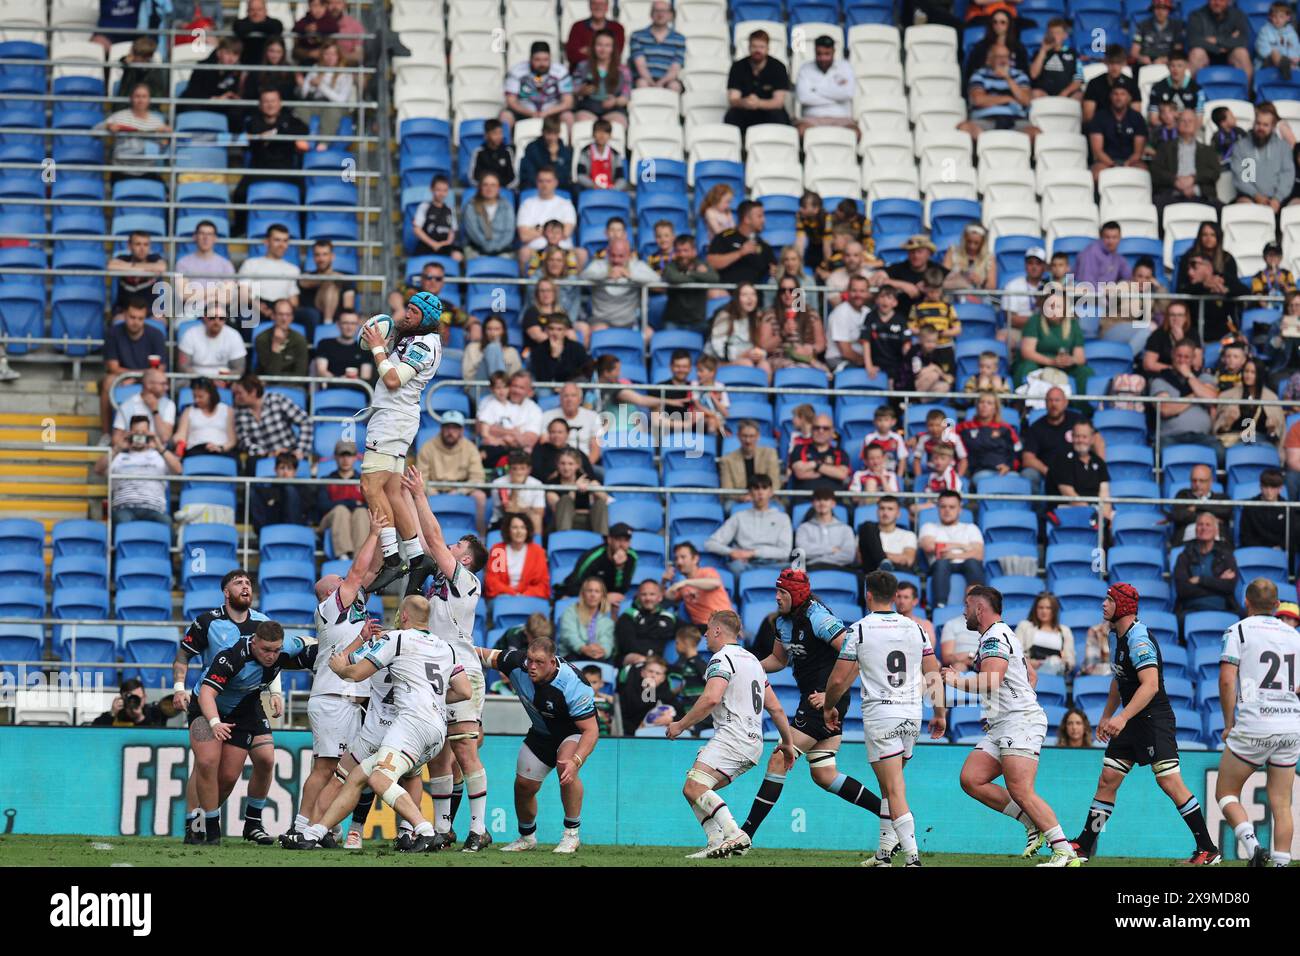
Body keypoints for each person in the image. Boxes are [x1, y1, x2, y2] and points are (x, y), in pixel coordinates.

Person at [285, 596, 472, 853]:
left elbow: (355, 672)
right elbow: (464, 691)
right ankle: (315, 833)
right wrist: (433, 699)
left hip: (403, 725)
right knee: (368, 777)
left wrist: (340, 667)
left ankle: (425, 830)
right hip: (435, 728)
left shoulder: (392, 639)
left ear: (404, 616)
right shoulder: (446, 648)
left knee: (371, 778)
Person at [1070, 584, 1223, 865]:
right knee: (1108, 779)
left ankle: (1208, 849)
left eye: (1109, 600)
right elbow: (1119, 679)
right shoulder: (1114, 634)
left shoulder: (1139, 638)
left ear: (1123, 606)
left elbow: (1150, 685)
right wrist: (1107, 715)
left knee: (1168, 781)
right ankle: (1084, 845)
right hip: (1130, 716)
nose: (1103, 604)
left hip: (1153, 718)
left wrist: (1122, 717)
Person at [737, 568, 884, 848]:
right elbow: (778, 661)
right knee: (824, 774)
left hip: (826, 701)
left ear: (797, 595)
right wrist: (746, 666)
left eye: (782, 592)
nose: (776, 597)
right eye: (777, 591)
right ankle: (890, 815)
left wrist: (830, 696)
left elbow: (855, 653)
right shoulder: (782, 622)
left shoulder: (819, 617)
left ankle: (744, 835)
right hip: (813, 698)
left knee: (780, 757)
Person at [941, 585, 1082, 866]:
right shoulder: (1005, 634)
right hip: (1005, 722)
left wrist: (957, 681)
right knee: (972, 779)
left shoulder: (994, 637)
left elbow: (992, 680)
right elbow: (1030, 676)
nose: (964, 612)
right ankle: (1032, 823)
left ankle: (1065, 851)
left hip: (1019, 721)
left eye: (967, 607)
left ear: (979, 609)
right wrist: (998, 710)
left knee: (1021, 790)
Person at [824, 570, 946, 866]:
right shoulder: (916, 628)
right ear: (894, 597)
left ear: (867, 595)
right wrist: (940, 712)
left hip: (882, 714)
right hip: (911, 715)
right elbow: (933, 672)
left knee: (894, 788)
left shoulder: (860, 630)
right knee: (889, 785)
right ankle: (883, 854)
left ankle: (913, 857)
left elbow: (839, 679)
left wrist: (829, 706)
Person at [397, 470, 491, 852]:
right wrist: (399, 494)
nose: (448, 547)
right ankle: (440, 828)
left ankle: (479, 828)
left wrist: (421, 494)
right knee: (438, 754)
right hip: (436, 671)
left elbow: (432, 538)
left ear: (465, 557)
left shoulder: (465, 580)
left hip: (464, 670)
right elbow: (420, 537)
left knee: (465, 750)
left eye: (456, 545)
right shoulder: (439, 578)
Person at [666, 609, 793, 857]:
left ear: (717, 630)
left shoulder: (722, 659)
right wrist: (787, 744)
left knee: (694, 787)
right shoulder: (754, 662)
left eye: (707, 629)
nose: (704, 634)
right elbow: (776, 708)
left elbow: (711, 698)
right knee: (692, 788)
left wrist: (680, 725)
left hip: (732, 737)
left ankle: (735, 835)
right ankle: (715, 842)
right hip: (753, 743)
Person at [288, 520, 382, 850]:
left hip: (352, 698)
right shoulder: (329, 609)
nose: (347, 581)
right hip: (333, 696)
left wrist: (386, 533)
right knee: (326, 766)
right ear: (331, 593)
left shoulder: (352, 609)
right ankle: (300, 827)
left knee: (344, 769)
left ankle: (320, 826)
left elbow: (372, 571)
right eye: (339, 581)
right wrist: (370, 532)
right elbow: (357, 574)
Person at [187, 621, 318, 845]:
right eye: (266, 650)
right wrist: (215, 722)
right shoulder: (231, 656)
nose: (271, 656)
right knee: (208, 761)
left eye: (276, 651)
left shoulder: (284, 647)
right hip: (207, 709)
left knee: (228, 776)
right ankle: (207, 828)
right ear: (254, 641)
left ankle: (229, 821)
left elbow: (309, 641)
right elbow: (206, 695)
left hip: (242, 713)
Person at [172, 570, 276, 845]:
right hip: (208, 701)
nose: (245, 586)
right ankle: (197, 825)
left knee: (229, 775)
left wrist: (274, 692)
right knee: (206, 762)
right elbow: (183, 656)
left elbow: (276, 659)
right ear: (226, 592)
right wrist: (179, 687)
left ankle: (208, 818)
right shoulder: (208, 621)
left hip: (245, 704)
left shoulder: (263, 623)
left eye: (248, 583)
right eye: (238, 582)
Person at [352, 293, 444, 594]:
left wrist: (378, 346)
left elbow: (393, 380)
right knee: (392, 490)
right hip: (397, 418)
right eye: (409, 308)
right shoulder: (415, 337)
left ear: (427, 319)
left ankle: (392, 558)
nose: (407, 315)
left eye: (414, 312)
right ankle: (417, 557)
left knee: (369, 486)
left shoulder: (423, 344)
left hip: (392, 419)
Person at [477, 634, 599, 853]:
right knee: (523, 786)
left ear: (552, 662)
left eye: (539, 662)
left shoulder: (573, 684)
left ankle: (571, 834)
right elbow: (481, 654)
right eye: (530, 660)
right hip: (541, 734)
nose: (532, 666)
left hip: (572, 733)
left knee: (565, 765)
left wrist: (577, 760)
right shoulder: (516, 662)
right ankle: (527, 837)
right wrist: (449, 647)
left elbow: (591, 730)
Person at [1215, 577, 1300, 867]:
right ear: (1277, 605)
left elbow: (1227, 680)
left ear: (1246, 602)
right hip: (1290, 726)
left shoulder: (1238, 631)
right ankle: (1280, 864)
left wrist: (1229, 723)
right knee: (1282, 803)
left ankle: (1253, 848)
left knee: (1225, 791)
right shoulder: (1295, 636)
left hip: (1255, 724)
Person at [95, 415, 181, 525]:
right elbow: (98, 469)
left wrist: (160, 447)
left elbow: (178, 470)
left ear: (149, 433)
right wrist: (118, 448)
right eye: (136, 432)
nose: (139, 436)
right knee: (123, 522)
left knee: (166, 522)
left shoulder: (159, 457)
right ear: (130, 433)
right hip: (124, 508)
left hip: (154, 509)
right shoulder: (118, 457)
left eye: (143, 433)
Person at [413, 410, 487, 535]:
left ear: (462, 431)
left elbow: (478, 477)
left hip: (461, 489)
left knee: (480, 497)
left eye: (455, 428)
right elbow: (421, 477)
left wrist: (459, 491)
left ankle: (481, 537)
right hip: (433, 489)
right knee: (416, 496)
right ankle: (420, 538)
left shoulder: (470, 448)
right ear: (441, 429)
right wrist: (431, 491)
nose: (450, 432)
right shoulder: (428, 447)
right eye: (447, 427)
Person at [103, 300, 169, 438]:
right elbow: (112, 367)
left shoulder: (156, 334)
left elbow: (160, 369)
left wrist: (135, 378)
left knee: (160, 382)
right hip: (123, 377)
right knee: (108, 381)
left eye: (140, 318)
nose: (136, 322)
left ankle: (161, 436)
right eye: (132, 317)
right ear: (125, 315)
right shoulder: (114, 332)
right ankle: (106, 434)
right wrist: (134, 377)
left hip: (143, 379)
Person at [704, 474, 793, 576]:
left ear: (771, 492)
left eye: (764, 488)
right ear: (750, 493)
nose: (760, 493)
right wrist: (732, 552)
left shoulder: (783, 518)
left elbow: (785, 551)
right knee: (735, 567)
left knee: (795, 571)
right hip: (745, 564)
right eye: (756, 488)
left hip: (774, 564)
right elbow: (710, 543)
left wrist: (754, 552)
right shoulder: (739, 517)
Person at [1151, 339, 1222, 454]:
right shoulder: (1161, 379)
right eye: (1179, 356)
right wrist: (1196, 395)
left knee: (1220, 454)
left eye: (1186, 357)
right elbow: (1165, 409)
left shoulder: (1204, 377)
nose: (1182, 360)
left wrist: (1189, 375)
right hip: (1171, 437)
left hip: (1202, 437)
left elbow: (1212, 398)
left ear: (1193, 358)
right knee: (1161, 452)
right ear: (1172, 356)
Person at [919, 489, 986, 608]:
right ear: (938, 508)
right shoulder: (929, 526)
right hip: (939, 567)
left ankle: (978, 604)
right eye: (943, 506)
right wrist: (963, 546)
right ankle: (940, 605)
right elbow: (928, 546)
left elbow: (978, 554)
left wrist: (952, 554)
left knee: (973, 563)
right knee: (942, 563)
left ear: (959, 509)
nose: (947, 510)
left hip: (967, 564)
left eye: (952, 507)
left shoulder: (971, 528)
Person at [958, 44, 1038, 142]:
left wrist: (1007, 78)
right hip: (985, 121)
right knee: (964, 128)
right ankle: (985, 148)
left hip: (1015, 121)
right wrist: (1008, 99)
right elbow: (978, 100)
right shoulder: (979, 75)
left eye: (1006, 56)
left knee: (1036, 133)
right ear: (989, 60)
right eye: (999, 57)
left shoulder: (1019, 76)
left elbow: (1026, 100)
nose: (1003, 60)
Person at [232, 372, 312, 468]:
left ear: (253, 392)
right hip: (262, 456)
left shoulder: (277, 400)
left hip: (289, 453)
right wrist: (269, 453)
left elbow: (305, 421)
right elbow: (245, 443)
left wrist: (300, 450)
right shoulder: (238, 412)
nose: (236, 398)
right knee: (251, 462)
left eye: (239, 394)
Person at [581, 238, 659, 334]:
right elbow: (584, 276)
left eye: (621, 256)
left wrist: (630, 275)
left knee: (649, 333)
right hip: (601, 321)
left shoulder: (637, 266)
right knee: (599, 331)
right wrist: (606, 274)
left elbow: (656, 280)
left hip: (630, 323)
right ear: (608, 253)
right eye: (613, 255)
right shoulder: (599, 265)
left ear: (629, 255)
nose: (616, 260)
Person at [96, 83, 170, 182]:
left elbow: (162, 149)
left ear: (149, 99)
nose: (140, 100)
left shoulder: (157, 121)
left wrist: (167, 138)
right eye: (137, 96)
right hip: (121, 171)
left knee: (165, 194)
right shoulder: (120, 116)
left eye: (144, 96)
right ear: (131, 98)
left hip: (148, 171)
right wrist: (108, 126)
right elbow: (95, 131)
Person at [237, 223, 304, 332]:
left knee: (310, 315)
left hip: (282, 307)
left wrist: (283, 309)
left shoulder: (293, 269)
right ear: (267, 242)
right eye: (277, 240)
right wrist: (256, 304)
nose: (282, 244)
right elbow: (242, 293)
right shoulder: (251, 263)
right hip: (256, 304)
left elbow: (294, 300)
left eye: (285, 241)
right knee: (246, 315)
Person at [1152, 109, 1221, 210]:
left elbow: (1214, 172)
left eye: (1190, 121)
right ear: (1177, 124)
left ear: (1196, 125)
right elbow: (1156, 171)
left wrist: (1193, 179)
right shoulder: (1165, 148)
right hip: (1172, 195)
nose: (1186, 124)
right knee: (1157, 206)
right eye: (1183, 121)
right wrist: (1175, 181)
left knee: (1221, 209)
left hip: (1201, 195)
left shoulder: (1208, 150)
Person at [1175, 511, 1241, 619]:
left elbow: (1229, 587)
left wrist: (1201, 580)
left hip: (1224, 609)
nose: (1203, 528)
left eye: (1208, 524)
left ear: (1216, 530)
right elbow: (1183, 590)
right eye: (1200, 524)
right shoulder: (1184, 556)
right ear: (1196, 529)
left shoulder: (1226, 555)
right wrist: (1217, 582)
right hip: (1190, 611)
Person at [1232, 101, 1294, 212]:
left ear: (1273, 126)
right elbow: (1241, 178)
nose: (1260, 128)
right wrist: (1257, 196)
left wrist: (1277, 199)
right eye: (1258, 123)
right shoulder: (1241, 146)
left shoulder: (1283, 147)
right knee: (1244, 205)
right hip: (1250, 197)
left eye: (1265, 125)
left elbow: (1287, 175)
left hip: (1279, 200)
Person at [724, 29, 790, 131]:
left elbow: (778, 102)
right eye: (754, 46)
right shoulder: (738, 67)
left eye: (761, 47)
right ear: (749, 47)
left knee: (779, 116)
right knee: (732, 115)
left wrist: (758, 103)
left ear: (768, 48)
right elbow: (733, 99)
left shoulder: (778, 67)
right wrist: (744, 102)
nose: (757, 50)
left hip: (769, 112)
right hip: (745, 111)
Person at [502, 41, 575, 132]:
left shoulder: (561, 71)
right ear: (530, 59)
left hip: (552, 112)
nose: (542, 64)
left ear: (550, 58)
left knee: (568, 117)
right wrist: (531, 113)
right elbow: (511, 101)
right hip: (524, 111)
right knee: (505, 116)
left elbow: (568, 102)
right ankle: (506, 146)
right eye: (537, 60)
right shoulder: (517, 71)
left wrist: (547, 112)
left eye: (545, 59)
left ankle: (569, 146)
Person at [517, 167, 580, 270]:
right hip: (535, 249)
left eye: (548, 181)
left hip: (563, 250)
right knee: (524, 252)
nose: (544, 185)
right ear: (536, 182)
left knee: (581, 254)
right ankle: (528, 286)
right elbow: (524, 236)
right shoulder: (527, 204)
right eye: (541, 181)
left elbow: (566, 233)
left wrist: (537, 229)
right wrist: (555, 231)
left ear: (555, 182)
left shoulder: (566, 204)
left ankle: (575, 286)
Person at [706, 282, 776, 375]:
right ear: (736, 298)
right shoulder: (725, 317)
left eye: (753, 294)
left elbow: (759, 346)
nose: (750, 298)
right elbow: (719, 351)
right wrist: (743, 355)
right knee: (747, 364)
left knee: (765, 366)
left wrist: (760, 354)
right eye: (744, 295)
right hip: (716, 362)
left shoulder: (756, 318)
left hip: (746, 358)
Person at [663, 541, 736, 626]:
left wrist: (685, 582)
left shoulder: (707, 572)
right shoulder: (683, 586)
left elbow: (715, 583)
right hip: (702, 629)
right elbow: (667, 597)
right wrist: (664, 582)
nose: (679, 562)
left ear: (695, 559)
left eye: (683, 557)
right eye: (676, 558)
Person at [794, 34, 855, 135]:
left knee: (855, 133)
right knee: (800, 131)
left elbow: (848, 93)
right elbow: (803, 98)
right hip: (811, 118)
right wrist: (836, 98)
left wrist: (815, 89)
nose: (823, 58)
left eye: (827, 54)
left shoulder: (845, 67)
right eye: (819, 54)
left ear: (834, 52)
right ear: (814, 52)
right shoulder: (805, 69)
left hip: (842, 118)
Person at [176, 220, 237, 319]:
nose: (205, 238)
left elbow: (228, 298)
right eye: (202, 234)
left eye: (209, 234)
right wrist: (215, 290)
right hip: (191, 313)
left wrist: (197, 293)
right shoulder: (183, 263)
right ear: (195, 237)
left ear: (215, 238)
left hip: (218, 314)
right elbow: (182, 295)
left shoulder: (226, 264)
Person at [1087, 86, 1148, 182]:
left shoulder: (1137, 118)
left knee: (1143, 173)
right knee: (1097, 174)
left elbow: (1138, 152)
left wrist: (1126, 164)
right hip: (1106, 162)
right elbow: (1097, 151)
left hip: (1131, 161)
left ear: (1129, 98)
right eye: (1115, 94)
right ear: (1110, 96)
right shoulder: (1099, 117)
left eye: (1122, 94)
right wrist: (1112, 165)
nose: (1119, 98)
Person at [662, 233, 720, 333]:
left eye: (686, 250)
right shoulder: (670, 266)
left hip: (698, 322)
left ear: (694, 252)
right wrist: (698, 275)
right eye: (678, 251)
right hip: (674, 322)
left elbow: (714, 278)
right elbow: (675, 278)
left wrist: (688, 274)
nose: (682, 254)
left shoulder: (702, 264)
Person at [573, 30, 632, 126]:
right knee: (582, 120)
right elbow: (573, 88)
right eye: (599, 45)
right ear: (593, 47)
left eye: (607, 45)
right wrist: (581, 91)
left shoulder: (623, 70)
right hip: (588, 108)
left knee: (619, 122)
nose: (603, 49)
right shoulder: (582, 67)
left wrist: (615, 101)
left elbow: (626, 96)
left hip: (613, 109)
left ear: (613, 49)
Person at [485, 513, 550, 600]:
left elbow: (543, 584)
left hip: (529, 598)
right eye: (515, 527)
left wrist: (525, 595)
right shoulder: (499, 551)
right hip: (503, 597)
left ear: (527, 530)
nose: (519, 531)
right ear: (508, 530)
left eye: (523, 527)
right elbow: (492, 581)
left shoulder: (537, 552)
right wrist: (513, 594)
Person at [110, 365, 174, 453]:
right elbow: (115, 440)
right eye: (162, 384)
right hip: (131, 454)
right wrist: (133, 439)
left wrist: (155, 411)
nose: (167, 388)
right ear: (149, 385)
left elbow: (165, 438)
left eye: (167, 384)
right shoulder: (127, 405)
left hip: (158, 456)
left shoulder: (169, 404)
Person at [614, 579, 677, 666]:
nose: (648, 598)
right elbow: (627, 646)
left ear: (660, 597)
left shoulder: (668, 617)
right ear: (638, 596)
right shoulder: (628, 616)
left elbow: (687, 631)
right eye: (644, 594)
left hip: (656, 666)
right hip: (633, 663)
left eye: (652, 594)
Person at [546, 447, 609, 533]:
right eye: (562, 463)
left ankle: (603, 539)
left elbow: (605, 499)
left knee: (600, 503)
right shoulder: (551, 484)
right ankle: (563, 538)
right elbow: (558, 510)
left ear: (577, 465)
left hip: (589, 522)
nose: (566, 468)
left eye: (570, 464)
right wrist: (575, 489)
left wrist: (592, 487)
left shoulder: (587, 479)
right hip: (562, 524)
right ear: (557, 465)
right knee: (565, 499)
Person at [172, 377, 236, 460]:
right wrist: (177, 440)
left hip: (222, 451)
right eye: (194, 396)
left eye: (200, 397)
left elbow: (232, 440)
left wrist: (221, 448)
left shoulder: (227, 410)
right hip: (195, 450)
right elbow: (181, 434)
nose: (196, 400)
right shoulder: (188, 411)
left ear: (211, 394)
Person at [1188, 0, 1254, 79]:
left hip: (1230, 53)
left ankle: (1247, 91)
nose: (1217, 3)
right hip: (1207, 53)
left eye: (1221, 0)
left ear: (1228, 1)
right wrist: (1219, 48)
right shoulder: (1197, 15)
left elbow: (1243, 40)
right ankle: (1191, 90)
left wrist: (1217, 40)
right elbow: (1194, 40)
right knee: (1196, 53)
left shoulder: (1238, 15)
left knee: (1242, 53)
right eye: (1214, 0)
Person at [108, 232, 167, 319]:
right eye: (138, 244)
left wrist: (129, 267)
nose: (142, 248)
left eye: (146, 244)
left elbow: (162, 267)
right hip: (124, 309)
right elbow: (111, 266)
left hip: (151, 309)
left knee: (161, 321)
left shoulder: (154, 258)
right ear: (129, 246)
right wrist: (147, 268)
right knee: (117, 320)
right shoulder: (122, 258)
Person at [298, 239, 356, 327]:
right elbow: (303, 282)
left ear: (332, 256)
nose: (321, 259)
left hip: (338, 322)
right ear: (313, 257)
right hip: (311, 320)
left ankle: (327, 324)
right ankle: (327, 325)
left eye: (325, 254)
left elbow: (348, 307)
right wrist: (331, 277)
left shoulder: (345, 278)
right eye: (317, 255)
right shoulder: (308, 275)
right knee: (329, 283)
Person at [719, 419, 781, 500]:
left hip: (766, 499)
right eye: (744, 436)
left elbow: (775, 484)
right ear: (738, 436)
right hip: (738, 501)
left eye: (751, 436)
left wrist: (757, 497)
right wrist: (742, 498)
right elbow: (727, 490)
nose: (748, 440)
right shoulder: (727, 460)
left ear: (758, 436)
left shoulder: (769, 454)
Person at [1015, 592, 1075, 675]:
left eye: (1048, 608)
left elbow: (1070, 661)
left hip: (1056, 669)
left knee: (1054, 661)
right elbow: (1015, 654)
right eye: (1040, 608)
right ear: (1035, 609)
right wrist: (1029, 663)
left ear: (1054, 610)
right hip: (1029, 668)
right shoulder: (1024, 626)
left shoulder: (1065, 631)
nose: (1044, 611)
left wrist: (1062, 662)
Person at [789, 414, 851, 494]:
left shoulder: (840, 453)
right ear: (811, 430)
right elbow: (800, 473)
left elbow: (842, 474)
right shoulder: (799, 449)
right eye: (816, 428)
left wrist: (816, 465)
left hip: (835, 500)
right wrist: (830, 472)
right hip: (804, 499)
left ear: (832, 431)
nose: (821, 431)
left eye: (826, 428)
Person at [1170, 463, 1233, 543]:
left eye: (1202, 481)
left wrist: (1197, 507)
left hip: (1218, 545)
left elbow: (1226, 512)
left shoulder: (1221, 498)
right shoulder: (1183, 495)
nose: (1197, 484)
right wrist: (1211, 520)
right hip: (1187, 543)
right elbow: (1178, 516)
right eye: (1194, 480)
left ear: (1210, 482)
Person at [797, 487, 857, 570]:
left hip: (840, 570)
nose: (822, 503)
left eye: (826, 499)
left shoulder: (845, 529)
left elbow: (849, 556)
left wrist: (818, 561)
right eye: (818, 499)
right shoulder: (803, 528)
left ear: (833, 503)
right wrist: (831, 549)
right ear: (813, 503)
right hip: (810, 570)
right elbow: (801, 552)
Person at [460, 172, 516, 259]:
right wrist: (488, 247)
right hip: (477, 248)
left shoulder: (506, 206)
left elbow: (509, 232)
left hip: (503, 249)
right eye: (485, 185)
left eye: (493, 185)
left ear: (498, 188)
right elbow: (473, 232)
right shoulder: (471, 206)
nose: (489, 188)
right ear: (480, 187)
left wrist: (496, 247)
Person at [1082, 44, 1142, 124]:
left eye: (1118, 63)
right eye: (1111, 63)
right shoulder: (1094, 83)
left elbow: (1136, 116)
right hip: (1099, 127)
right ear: (1105, 62)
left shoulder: (1131, 84)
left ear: (1124, 63)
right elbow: (1088, 116)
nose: (1114, 67)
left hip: (1125, 127)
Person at [251, 451, 310, 530]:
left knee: (290, 490)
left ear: (295, 472)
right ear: (275, 470)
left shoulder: (304, 489)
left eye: (289, 468)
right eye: (282, 468)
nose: (285, 472)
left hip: (296, 529)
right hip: (270, 528)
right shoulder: (265, 489)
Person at [858, 495, 918, 573]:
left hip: (896, 572)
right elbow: (859, 559)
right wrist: (894, 557)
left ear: (898, 513)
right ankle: (883, 562)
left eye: (890, 509)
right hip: (872, 571)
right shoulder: (866, 532)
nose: (885, 513)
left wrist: (876, 554)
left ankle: (883, 562)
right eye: (882, 508)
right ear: (877, 511)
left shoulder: (908, 535)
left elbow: (907, 560)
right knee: (867, 526)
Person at [1029, 17, 1083, 100]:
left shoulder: (1073, 53)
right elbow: (1033, 74)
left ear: (1065, 35)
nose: (1054, 36)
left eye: (1057, 33)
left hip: (1066, 94)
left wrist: (1065, 93)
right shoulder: (1039, 52)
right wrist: (1043, 50)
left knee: (1079, 95)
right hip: (1044, 94)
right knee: (1035, 93)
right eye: (1051, 33)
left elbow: (1078, 79)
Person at [313, 310, 373, 384]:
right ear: (338, 324)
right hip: (331, 388)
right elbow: (321, 371)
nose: (349, 327)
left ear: (358, 326)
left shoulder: (364, 348)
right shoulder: (325, 344)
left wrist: (354, 380)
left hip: (357, 388)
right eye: (345, 323)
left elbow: (365, 377)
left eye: (353, 323)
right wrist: (340, 380)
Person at [253, 299, 309, 377]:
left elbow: (300, 375)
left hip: (293, 387)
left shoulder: (300, 340)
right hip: (268, 386)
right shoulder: (262, 339)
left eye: (288, 315)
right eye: (280, 314)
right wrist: (276, 348)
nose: (284, 319)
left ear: (292, 317)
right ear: (273, 316)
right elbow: (270, 374)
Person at [92, 676, 176, 727]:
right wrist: (112, 714)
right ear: (122, 698)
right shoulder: (117, 715)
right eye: (130, 698)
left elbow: (158, 736)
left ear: (144, 698)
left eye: (137, 697)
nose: (133, 701)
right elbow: (94, 732)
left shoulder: (153, 713)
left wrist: (140, 718)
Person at [519, 116, 574, 191]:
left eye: (555, 134)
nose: (552, 137)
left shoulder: (565, 151)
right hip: (535, 187)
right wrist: (543, 185)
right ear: (543, 131)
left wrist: (554, 158)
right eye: (549, 133)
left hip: (558, 188)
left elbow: (565, 176)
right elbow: (528, 173)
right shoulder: (532, 148)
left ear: (559, 133)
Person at [1133, 0, 1187, 65]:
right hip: (1145, 63)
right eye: (1157, 8)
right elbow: (1134, 51)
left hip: (1168, 62)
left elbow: (1178, 51)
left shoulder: (1176, 26)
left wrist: (1166, 59)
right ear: (1153, 9)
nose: (1160, 12)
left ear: (1169, 10)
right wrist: (1141, 58)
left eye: (1164, 8)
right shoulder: (1142, 25)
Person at [234, 0, 284, 66]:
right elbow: (240, 28)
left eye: (259, 9)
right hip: (247, 64)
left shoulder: (275, 23)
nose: (256, 13)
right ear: (247, 11)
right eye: (252, 10)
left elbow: (276, 28)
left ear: (265, 11)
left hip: (270, 66)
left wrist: (252, 26)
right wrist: (263, 27)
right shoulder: (240, 24)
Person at [470, 118, 515, 188]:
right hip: (483, 190)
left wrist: (498, 188)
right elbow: (473, 177)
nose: (499, 136)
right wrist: (485, 187)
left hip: (503, 190)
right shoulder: (479, 152)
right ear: (486, 135)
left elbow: (513, 178)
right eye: (495, 133)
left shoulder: (508, 151)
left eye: (500, 133)